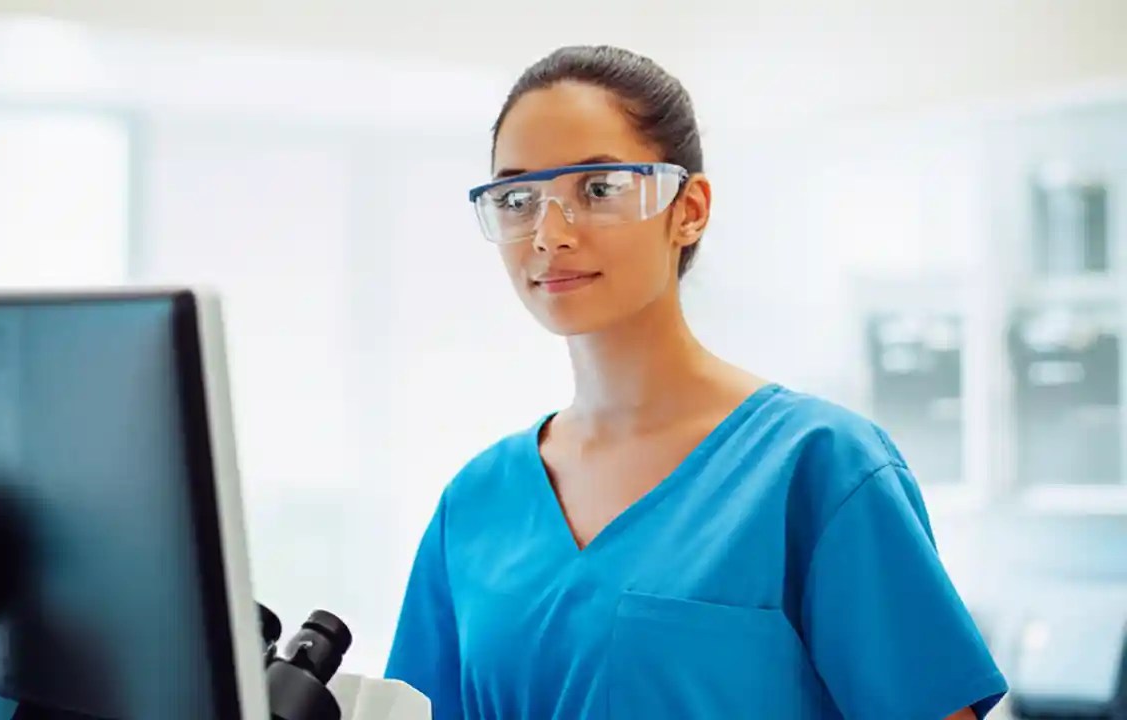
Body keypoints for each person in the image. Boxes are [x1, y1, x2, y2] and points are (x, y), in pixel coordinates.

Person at [385, 45, 1008, 720]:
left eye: (598, 190)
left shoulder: (817, 468)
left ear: (690, 209)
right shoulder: (477, 503)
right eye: (516, 198)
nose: (549, 234)